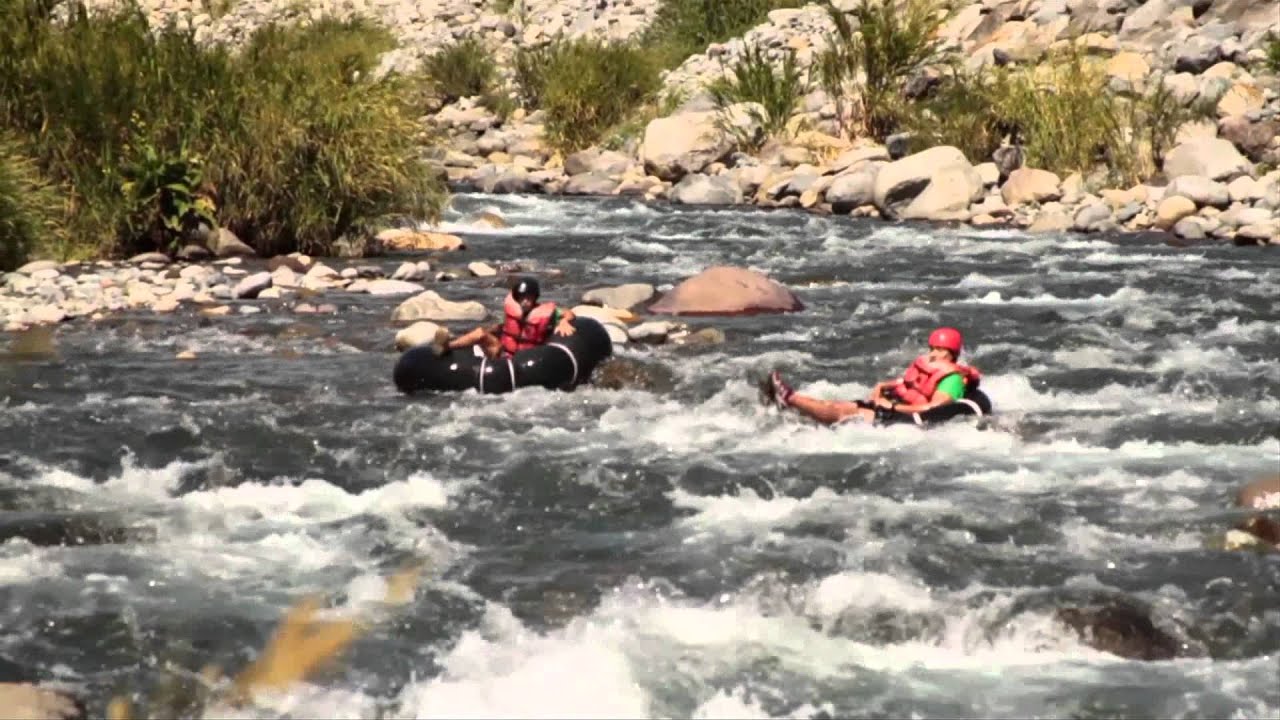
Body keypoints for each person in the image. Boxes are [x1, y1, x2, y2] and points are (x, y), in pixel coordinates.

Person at [762, 326, 981, 426]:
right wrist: (884, 386)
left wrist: (892, 407)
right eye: (932, 348)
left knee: (841, 411)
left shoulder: (951, 380)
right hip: (896, 409)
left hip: (907, 420)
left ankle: (788, 397)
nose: (933, 354)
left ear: (951, 354)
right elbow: (911, 385)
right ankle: (787, 401)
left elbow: (932, 409)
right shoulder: (930, 368)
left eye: (940, 350)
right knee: (839, 405)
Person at [442, 277, 577, 359]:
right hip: (503, 354)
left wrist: (564, 321)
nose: (525, 302)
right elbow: (503, 329)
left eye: (528, 298)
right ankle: (447, 346)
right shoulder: (514, 313)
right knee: (481, 333)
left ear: (535, 297)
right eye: (521, 298)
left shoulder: (545, 312)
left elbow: (568, 313)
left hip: (527, 359)